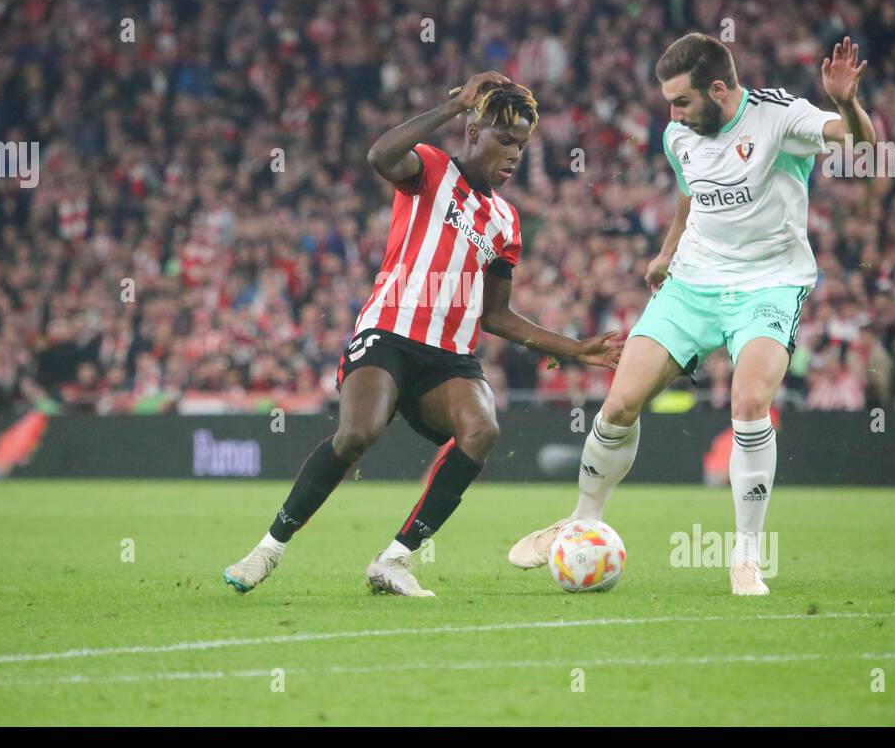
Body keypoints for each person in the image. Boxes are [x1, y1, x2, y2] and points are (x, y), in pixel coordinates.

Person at [225, 72, 622, 597]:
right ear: (473, 131)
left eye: (521, 145)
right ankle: (268, 549)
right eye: (504, 139)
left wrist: (575, 350)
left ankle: (394, 559)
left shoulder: (505, 222)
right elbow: (379, 156)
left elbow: (497, 316)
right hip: (388, 333)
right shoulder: (430, 167)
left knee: (482, 430)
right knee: (357, 435)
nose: (514, 154)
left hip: (449, 358)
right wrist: (453, 103)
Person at [508, 34, 875, 596]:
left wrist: (845, 101)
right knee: (620, 402)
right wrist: (666, 252)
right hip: (694, 282)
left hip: (769, 284)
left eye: (680, 101)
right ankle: (582, 520)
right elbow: (690, 194)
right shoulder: (679, 135)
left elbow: (859, 141)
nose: (671, 113)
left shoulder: (779, 117)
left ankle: (746, 558)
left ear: (719, 90)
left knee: (750, 401)